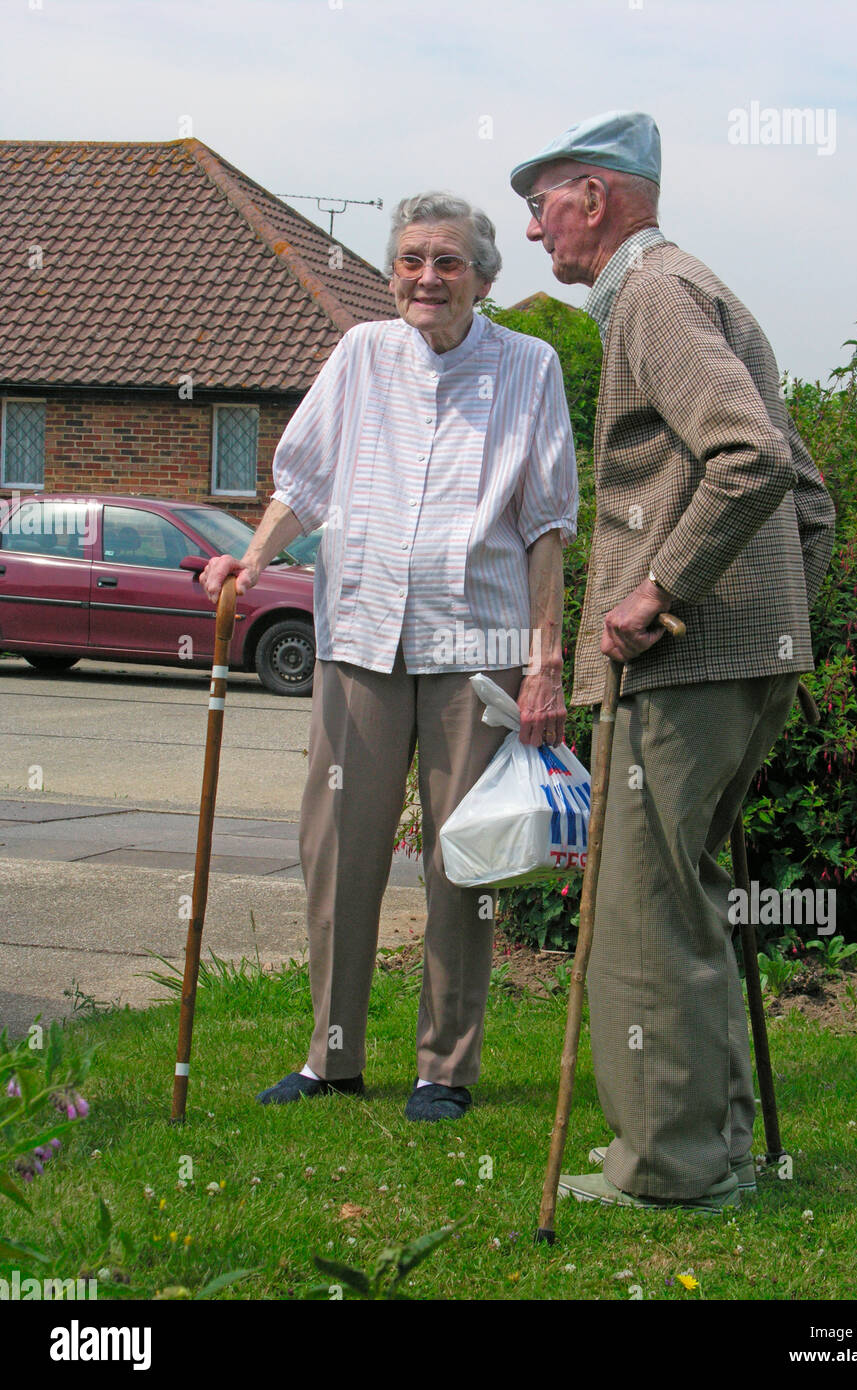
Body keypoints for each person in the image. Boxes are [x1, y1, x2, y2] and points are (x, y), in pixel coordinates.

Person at [510, 112, 835, 1208]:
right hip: (732, 662)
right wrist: (772, 626)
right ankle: (713, 1148)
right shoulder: (695, 288)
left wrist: (662, 588)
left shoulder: (651, 294)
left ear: (596, 198)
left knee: (641, 913)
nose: (529, 223)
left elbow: (746, 463)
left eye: (543, 198)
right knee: (686, 903)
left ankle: (668, 1172)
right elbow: (810, 498)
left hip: (683, 664)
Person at [201, 193, 576, 1122]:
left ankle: (443, 1069)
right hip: (361, 640)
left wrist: (545, 661)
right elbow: (306, 483)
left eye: (448, 263)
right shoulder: (361, 355)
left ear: (485, 279)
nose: (426, 278)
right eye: (412, 260)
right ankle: (334, 1059)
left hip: (474, 650)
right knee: (338, 852)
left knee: (466, 860)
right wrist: (251, 557)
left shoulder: (531, 367)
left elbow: (546, 528)